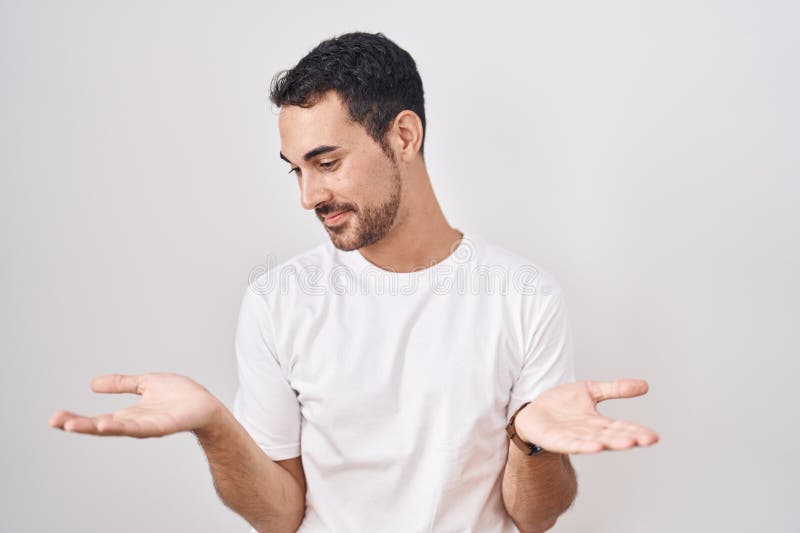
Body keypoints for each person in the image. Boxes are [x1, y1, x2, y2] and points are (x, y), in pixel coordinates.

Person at [49, 32, 659, 533]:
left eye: (327, 163)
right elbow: (282, 514)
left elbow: (534, 516)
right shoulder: (277, 302)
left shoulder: (524, 295)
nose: (309, 195)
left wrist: (530, 442)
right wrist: (213, 425)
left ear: (403, 136)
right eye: (296, 171)